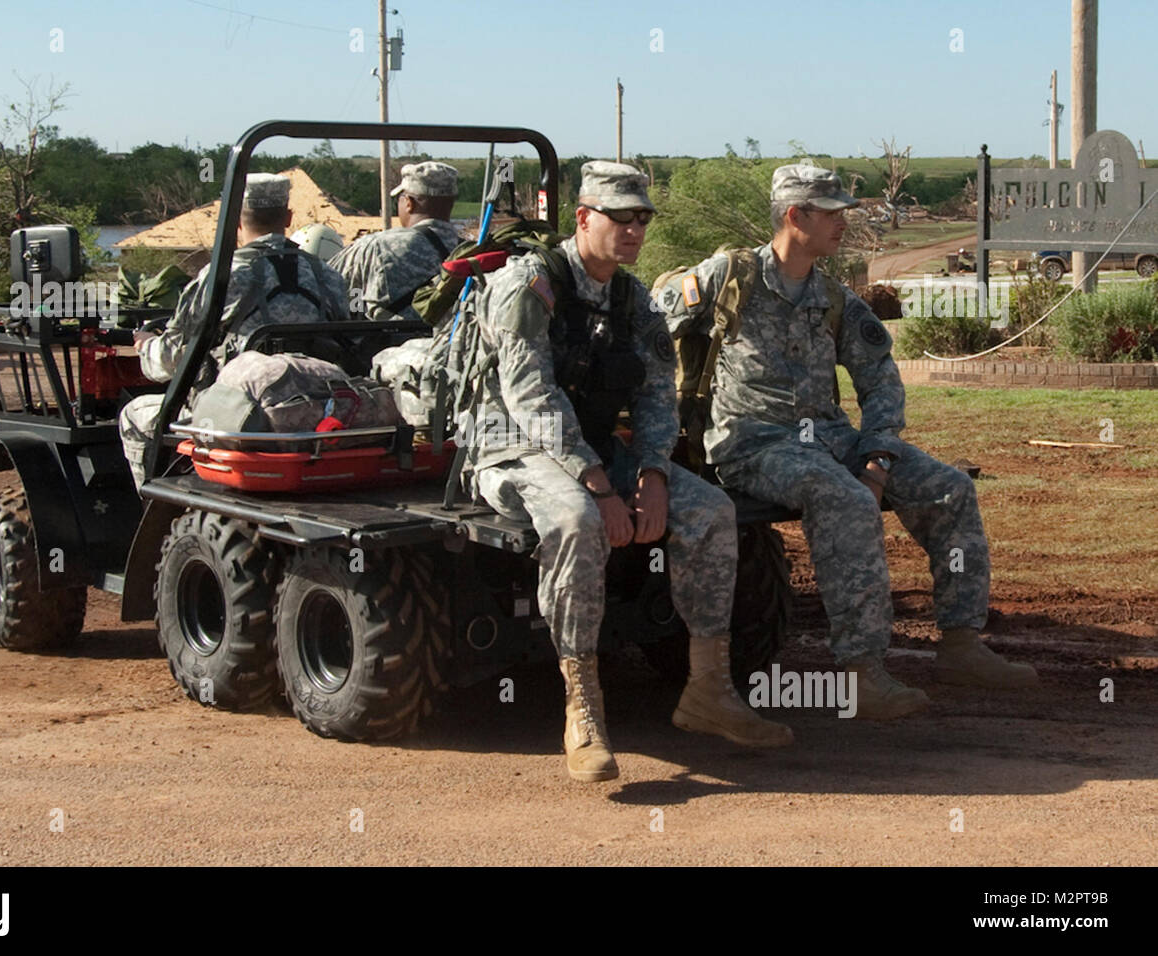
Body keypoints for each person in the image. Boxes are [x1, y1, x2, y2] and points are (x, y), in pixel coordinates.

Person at [660, 164, 1037, 719]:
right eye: (832, 213)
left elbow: (880, 376)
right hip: (752, 442)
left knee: (950, 489)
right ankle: (861, 671)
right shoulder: (726, 278)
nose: (843, 223)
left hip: (831, 439)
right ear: (795, 216)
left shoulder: (832, 298)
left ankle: (960, 643)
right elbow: (648, 328)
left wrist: (879, 451)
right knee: (844, 498)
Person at [466, 161, 793, 784]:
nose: (634, 230)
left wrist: (651, 473)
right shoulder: (527, 286)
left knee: (711, 511)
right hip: (508, 441)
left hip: (587, 443)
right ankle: (582, 709)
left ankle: (708, 690)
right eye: (621, 218)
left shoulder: (631, 296)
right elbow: (531, 396)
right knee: (573, 518)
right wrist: (597, 484)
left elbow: (652, 394)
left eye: (642, 218)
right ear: (584, 218)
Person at [119, 172, 349, 488]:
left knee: (133, 415)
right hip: (317, 409)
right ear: (288, 217)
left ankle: (156, 507)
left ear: (234, 222)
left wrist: (146, 346)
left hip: (241, 417)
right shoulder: (327, 276)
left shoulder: (222, 278)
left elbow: (172, 363)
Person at [329, 161, 463, 321]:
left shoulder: (376, 246)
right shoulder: (470, 252)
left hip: (389, 344)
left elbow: (330, 286)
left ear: (409, 203)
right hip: (450, 344)